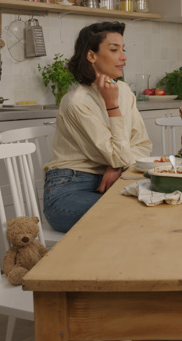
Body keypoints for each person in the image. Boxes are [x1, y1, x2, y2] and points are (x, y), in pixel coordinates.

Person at [43, 21, 152, 232]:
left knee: (157, 208)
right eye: (114, 50)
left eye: (123, 49)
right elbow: (121, 156)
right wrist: (112, 106)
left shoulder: (125, 91)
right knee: (133, 218)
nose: (123, 57)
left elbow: (143, 146)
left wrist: (115, 165)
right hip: (69, 190)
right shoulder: (77, 102)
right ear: (91, 56)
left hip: (113, 182)